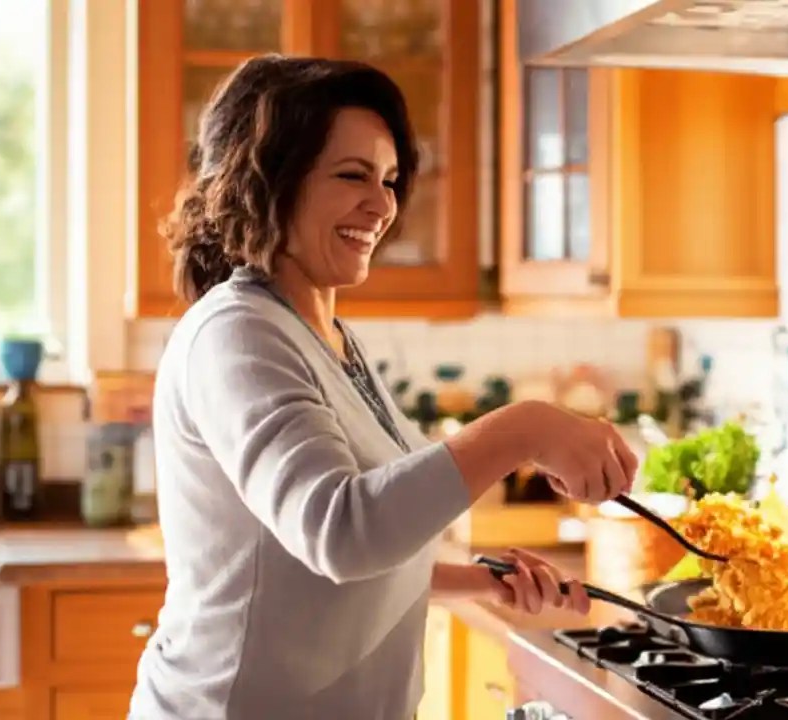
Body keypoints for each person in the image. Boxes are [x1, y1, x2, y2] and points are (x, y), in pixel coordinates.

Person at [128, 55, 638, 720]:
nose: (383, 204)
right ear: (270, 181)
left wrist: (481, 581)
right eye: (352, 176)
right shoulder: (236, 335)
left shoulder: (329, 338)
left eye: (391, 180)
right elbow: (341, 532)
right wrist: (527, 428)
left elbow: (344, 559)